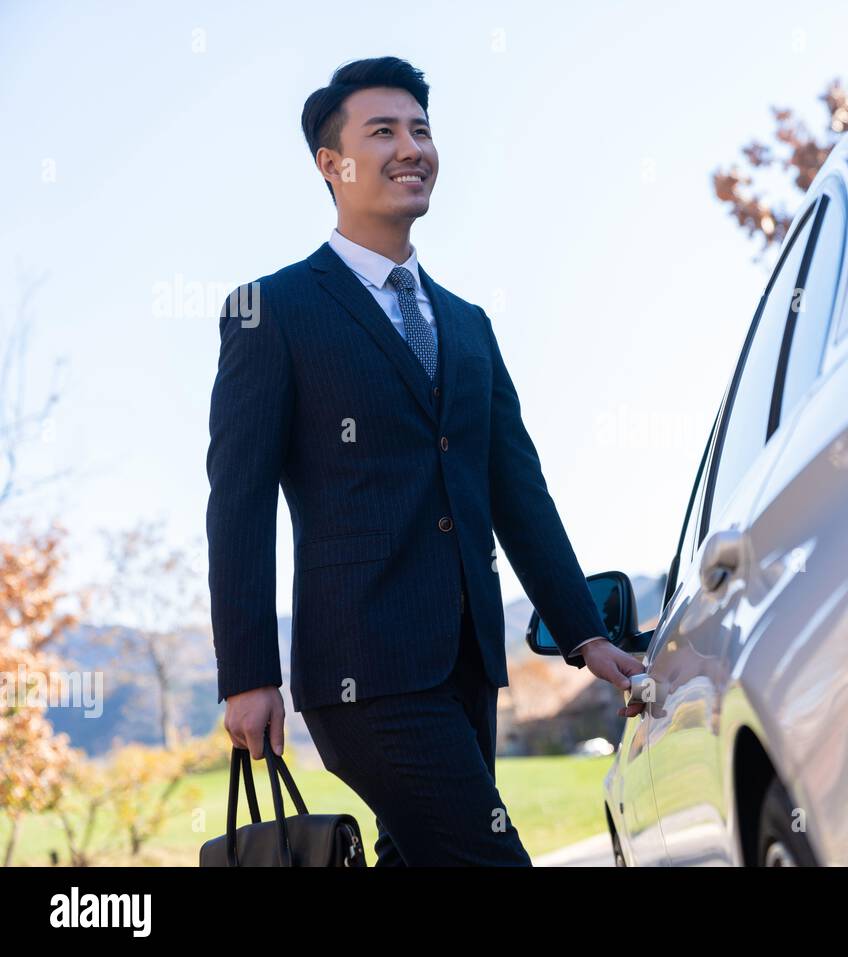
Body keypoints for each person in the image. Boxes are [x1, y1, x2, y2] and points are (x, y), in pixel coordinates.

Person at [206, 56, 646, 866]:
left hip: (470, 663)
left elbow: (518, 491)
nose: (412, 147)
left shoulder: (469, 324)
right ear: (330, 165)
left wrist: (584, 633)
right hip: (362, 671)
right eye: (383, 131)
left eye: (421, 129)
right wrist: (247, 672)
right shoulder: (272, 310)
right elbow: (237, 502)